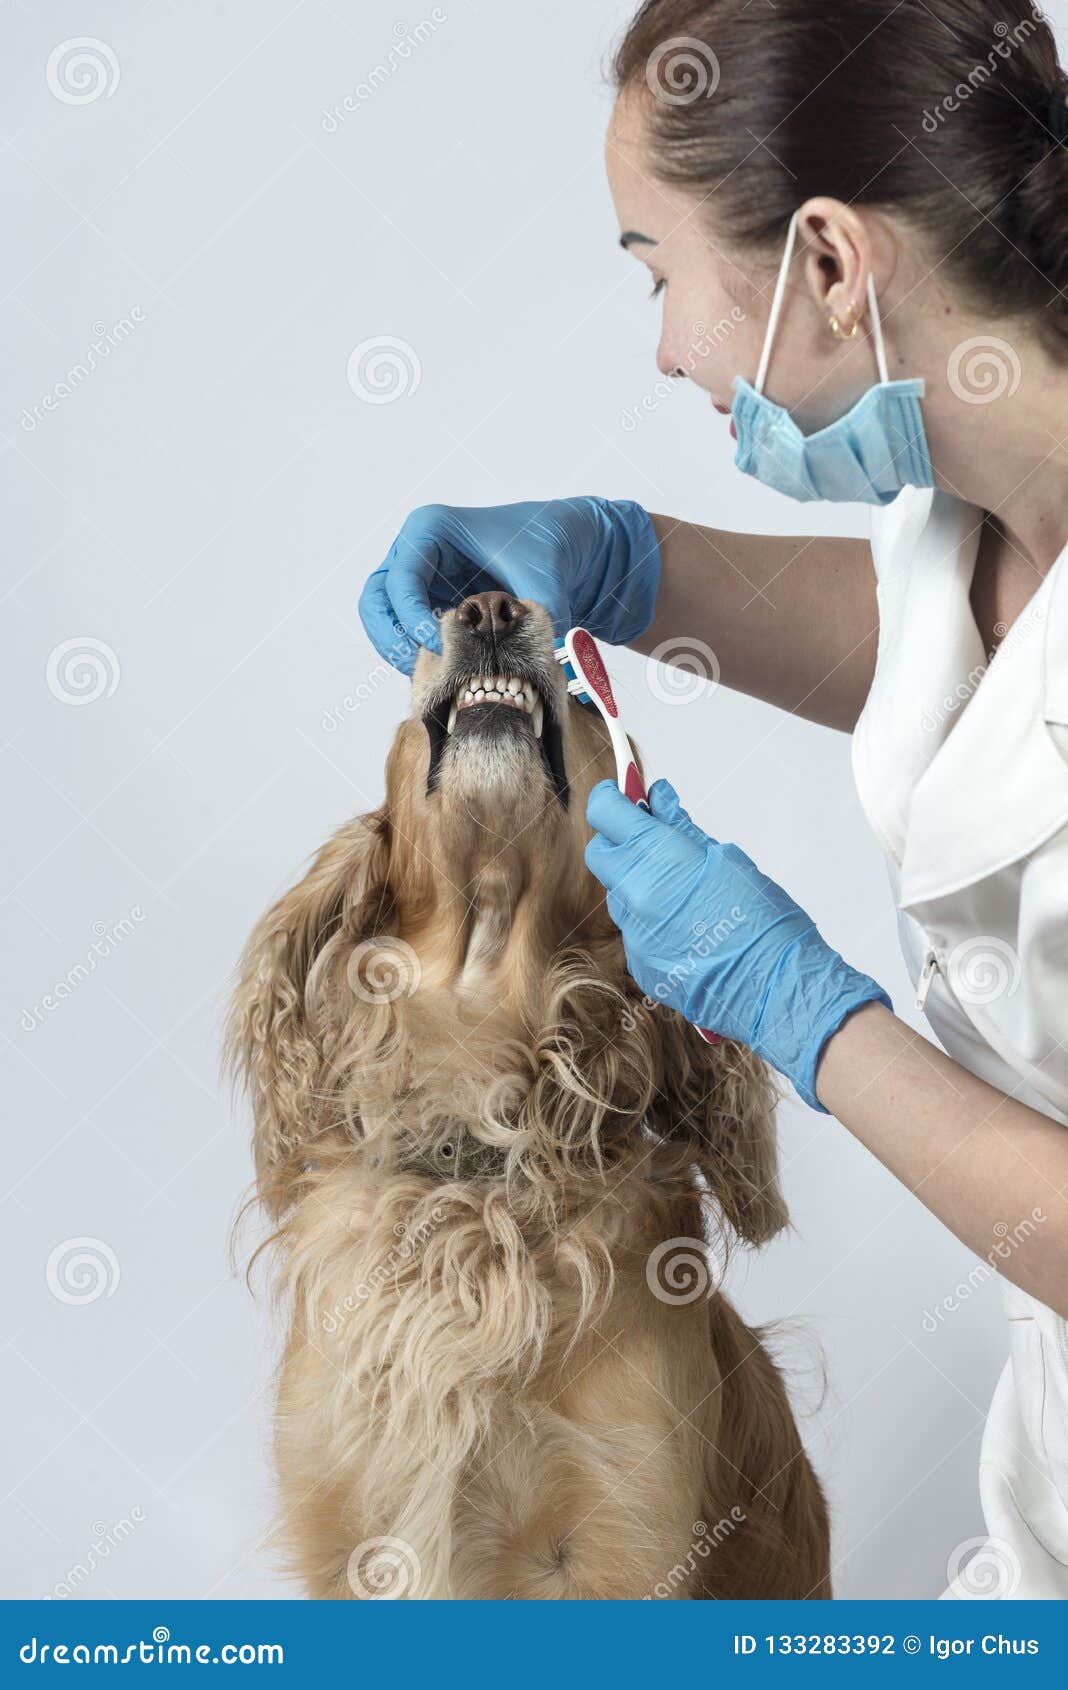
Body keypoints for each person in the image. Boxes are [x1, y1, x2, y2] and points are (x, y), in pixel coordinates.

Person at [358, 0, 1068, 1598]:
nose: (665, 347)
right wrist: (629, 559)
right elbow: (968, 669)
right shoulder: (977, 494)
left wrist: (811, 1018)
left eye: (655, 270)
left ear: (828, 261)